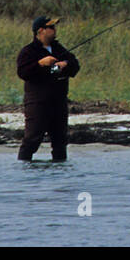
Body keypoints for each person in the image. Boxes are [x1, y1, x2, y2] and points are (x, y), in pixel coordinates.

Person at [16, 16, 80, 162]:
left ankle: (59, 171)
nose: (55, 30)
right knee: (31, 140)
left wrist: (65, 64)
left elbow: (75, 65)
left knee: (60, 141)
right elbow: (23, 72)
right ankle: (24, 170)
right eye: (51, 27)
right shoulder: (28, 51)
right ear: (40, 31)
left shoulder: (58, 48)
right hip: (38, 103)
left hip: (59, 102)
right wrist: (40, 64)